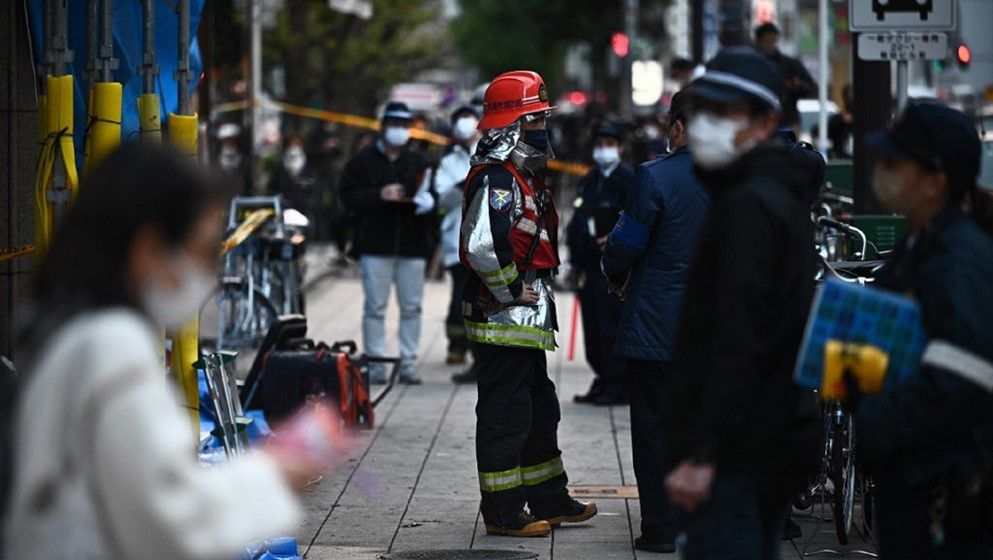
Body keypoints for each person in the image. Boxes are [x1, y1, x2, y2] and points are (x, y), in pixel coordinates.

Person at [1, 142, 325, 559]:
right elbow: (171, 524)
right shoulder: (113, 348)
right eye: (205, 250)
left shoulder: (57, 328)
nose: (210, 275)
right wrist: (277, 473)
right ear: (149, 248)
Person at [660, 48, 821, 559]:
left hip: (737, 455)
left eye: (725, 113)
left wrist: (703, 453)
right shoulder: (768, 192)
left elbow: (738, 339)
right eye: (702, 111)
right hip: (763, 443)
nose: (707, 126)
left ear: (766, 122)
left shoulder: (751, 204)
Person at [847, 100, 993, 559]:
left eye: (895, 162)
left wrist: (876, 422)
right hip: (914, 478)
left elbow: (963, 379)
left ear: (935, 180)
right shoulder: (920, 243)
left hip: (945, 490)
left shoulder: (958, 260)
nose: (881, 170)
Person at [461, 70, 597, 537]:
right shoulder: (497, 179)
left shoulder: (522, 177)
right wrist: (509, 290)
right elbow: (481, 246)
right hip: (503, 318)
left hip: (524, 320)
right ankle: (502, 513)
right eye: (535, 121)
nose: (543, 130)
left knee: (540, 409)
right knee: (506, 416)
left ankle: (549, 499)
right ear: (512, 127)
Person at [600, 89, 710, 553]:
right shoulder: (739, 178)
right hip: (717, 328)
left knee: (653, 428)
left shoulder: (655, 177)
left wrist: (612, 266)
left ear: (679, 127)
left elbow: (625, 246)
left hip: (658, 327)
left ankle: (661, 528)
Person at [339, 102, 435, 385]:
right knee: (375, 307)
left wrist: (428, 203)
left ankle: (407, 362)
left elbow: (435, 194)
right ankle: (376, 363)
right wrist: (379, 195)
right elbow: (348, 197)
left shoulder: (419, 162)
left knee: (412, 307)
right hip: (375, 245)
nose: (398, 131)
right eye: (393, 125)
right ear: (382, 127)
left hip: (412, 245)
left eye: (403, 126)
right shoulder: (362, 161)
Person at [566, 121, 634, 405]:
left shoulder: (630, 180)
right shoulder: (589, 180)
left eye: (610, 143)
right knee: (593, 327)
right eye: (599, 144)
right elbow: (578, 220)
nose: (603, 150)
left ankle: (618, 383)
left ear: (620, 147)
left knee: (611, 326)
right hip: (588, 264)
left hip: (614, 269)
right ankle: (603, 377)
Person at [434, 106, 481, 376]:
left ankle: (477, 354)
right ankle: (458, 344)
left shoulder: (490, 153)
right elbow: (441, 199)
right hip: (456, 239)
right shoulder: (448, 161)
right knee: (460, 297)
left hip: (483, 240)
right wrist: (464, 185)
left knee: (478, 299)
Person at [754, 22, 817, 131]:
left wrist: (797, 87)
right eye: (766, 41)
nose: (769, 44)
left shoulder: (790, 64)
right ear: (759, 41)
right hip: (757, 120)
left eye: (772, 40)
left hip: (787, 119)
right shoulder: (751, 64)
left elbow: (811, 88)